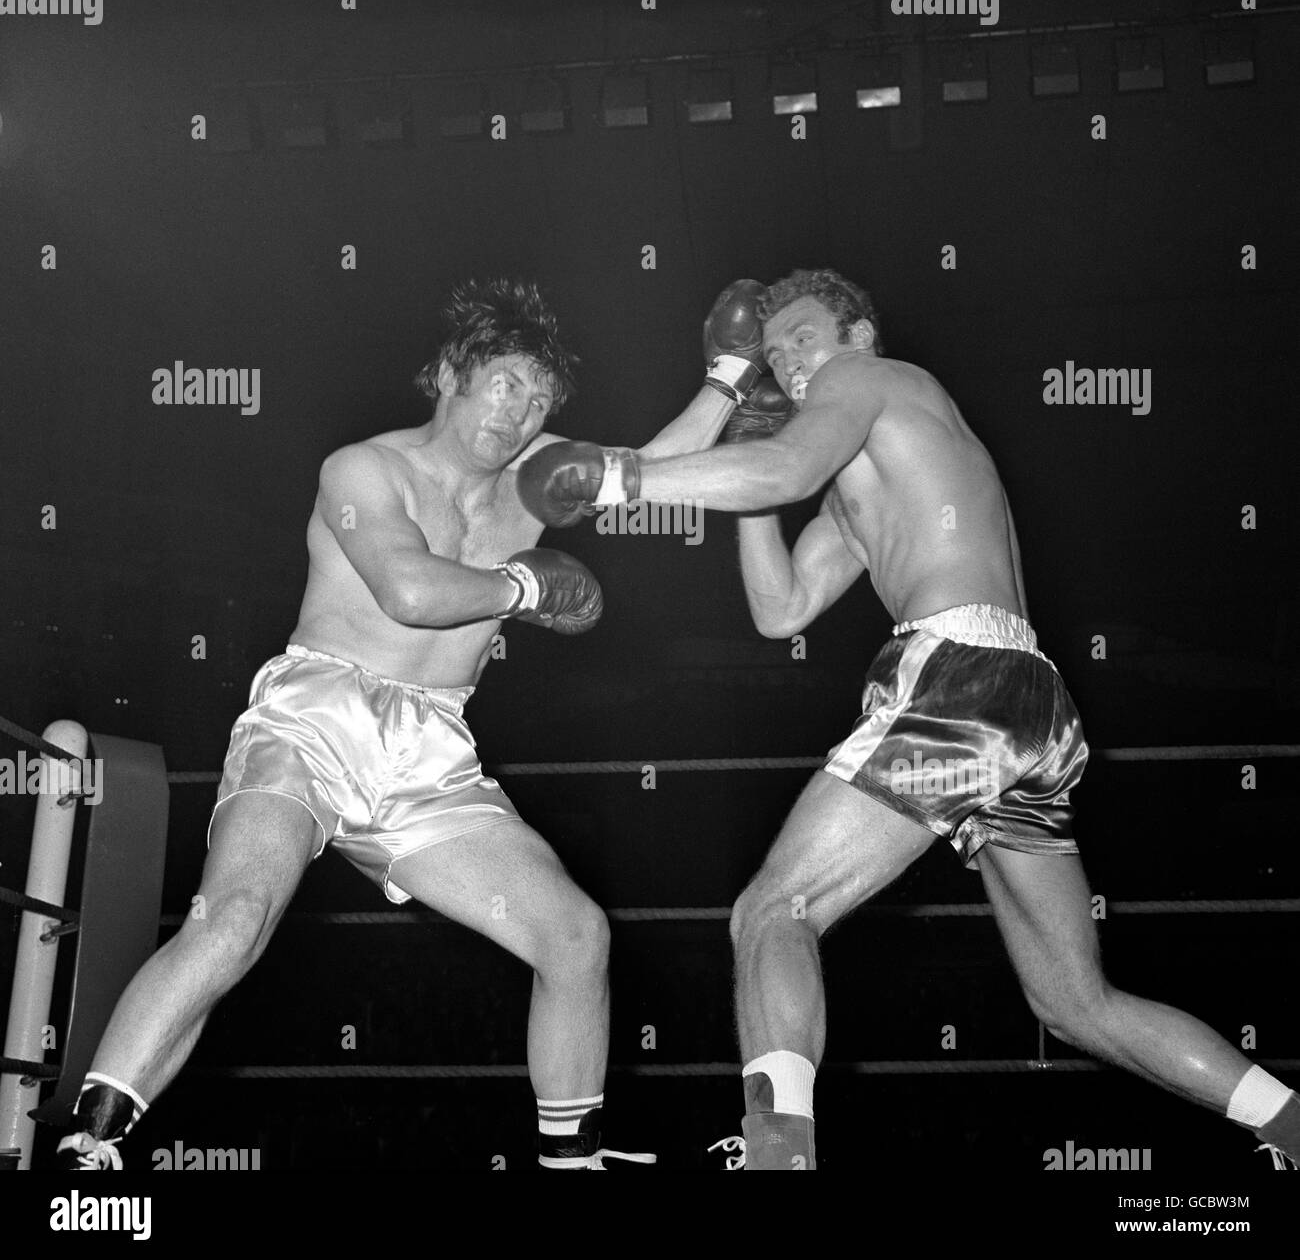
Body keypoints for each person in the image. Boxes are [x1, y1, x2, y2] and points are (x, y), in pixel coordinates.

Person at [517, 267, 1300, 1172]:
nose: (790, 363)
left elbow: (786, 465)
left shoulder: (872, 380)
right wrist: (755, 451)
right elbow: (782, 609)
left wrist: (622, 477)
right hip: (1025, 707)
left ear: (858, 335)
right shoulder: (866, 476)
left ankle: (778, 1159)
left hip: (959, 679)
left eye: (803, 338)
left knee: (776, 907)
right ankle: (1287, 1122)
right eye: (773, 354)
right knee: (1074, 1005)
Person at [53, 276, 749, 1171]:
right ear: (454, 372)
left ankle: (570, 1165)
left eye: (540, 396)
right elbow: (409, 592)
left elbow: (658, 470)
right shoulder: (363, 469)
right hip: (315, 718)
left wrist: (728, 378)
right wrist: (528, 587)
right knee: (234, 917)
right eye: (508, 383)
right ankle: (87, 1150)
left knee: (574, 935)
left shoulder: (537, 476)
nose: (523, 410)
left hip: (431, 750)